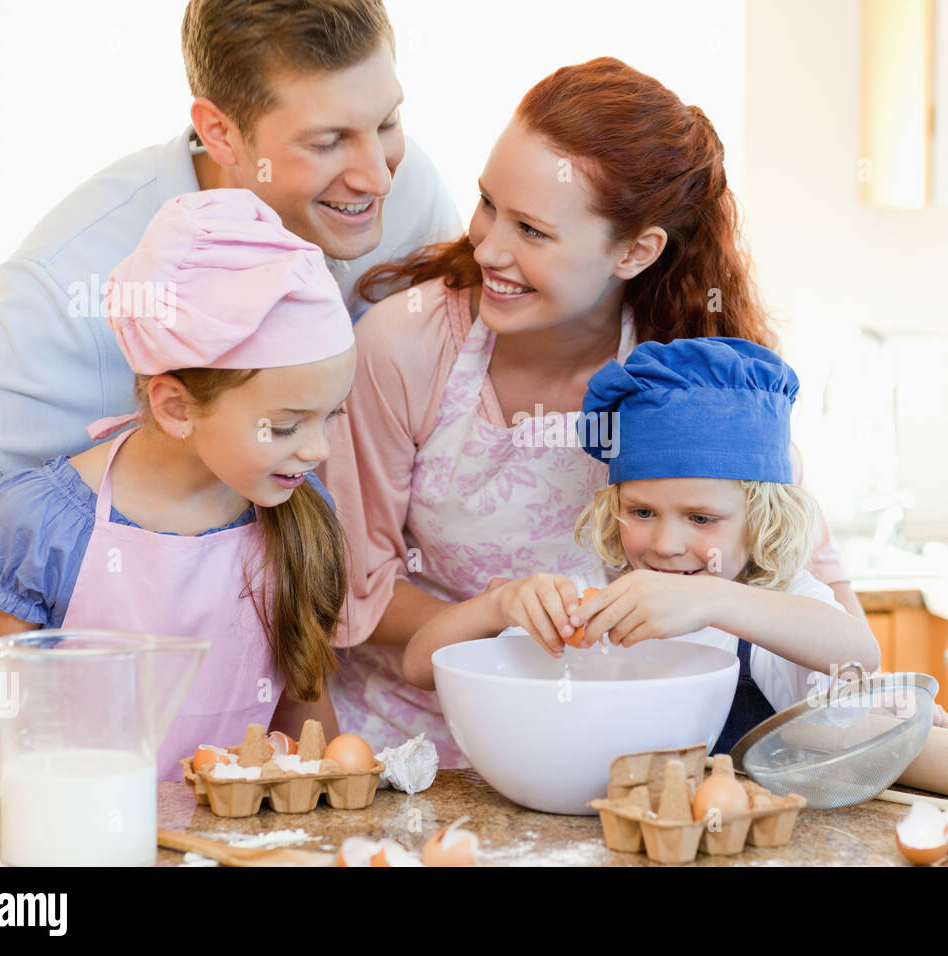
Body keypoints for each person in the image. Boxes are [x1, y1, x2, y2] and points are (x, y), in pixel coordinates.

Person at [0, 0, 457, 865]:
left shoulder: (393, 177)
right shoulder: (74, 283)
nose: (378, 176)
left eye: (388, 123)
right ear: (219, 131)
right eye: (327, 143)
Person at [322, 57, 874, 767]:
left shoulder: (693, 376)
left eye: (533, 230)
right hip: (414, 746)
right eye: (489, 203)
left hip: (619, 745)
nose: (488, 247)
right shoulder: (406, 345)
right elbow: (355, 592)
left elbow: (828, 606)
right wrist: (513, 621)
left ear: (636, 251)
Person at [0, 189, 355, 781]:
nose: (317, 450)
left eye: (332, 416)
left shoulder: (300, 515)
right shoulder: (42, 525)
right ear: (176, 407)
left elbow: (307, 725)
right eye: (284, 425)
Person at [401, 337, 878, 754]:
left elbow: (860, 653)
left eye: (701, 518)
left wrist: (711, 600)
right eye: (642, 512)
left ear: (763, 520)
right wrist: (498, 605)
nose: (666, 544)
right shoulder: (594, 599)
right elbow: (419, 668)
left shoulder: (780, 607)